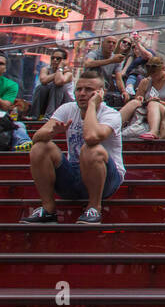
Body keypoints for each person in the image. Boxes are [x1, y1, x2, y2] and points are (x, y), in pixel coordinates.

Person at [21, 69, 125, 226]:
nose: (82, 93)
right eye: (78, 89)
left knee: (91, 149)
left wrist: (91, 107)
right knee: (40, 148)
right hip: (74, 175)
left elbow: (91, 138)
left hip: (107, 179)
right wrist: (51, 133)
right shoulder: (67, 108)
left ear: (100, 93)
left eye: (88, 90)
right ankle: (48, 209)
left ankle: (94, 208)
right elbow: (36, 138)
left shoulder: (110, 114)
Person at [119, 56, 165, 140]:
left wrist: (159, 102)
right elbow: (138, 100)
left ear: (163, 69)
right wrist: (141, 99)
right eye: (151, 75)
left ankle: (154, 131)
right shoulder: (145, 81)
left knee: (153, 104)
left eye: (156, 74)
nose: (154, 77)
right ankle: (114, 124)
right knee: (134, 102)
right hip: (146, 111)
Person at [27, 48, 73, 120]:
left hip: (65, 102)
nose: (55, 60)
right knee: (41, 87)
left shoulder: (68, 73)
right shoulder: (46, 69)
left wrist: (60, 68)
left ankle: (50, 117)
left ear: (64, 61)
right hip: (49, 102)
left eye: (58, 59)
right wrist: (58, 72)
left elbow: (58, 82)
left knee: (57, 86)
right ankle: (34, 115)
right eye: (53, 58)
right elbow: (43, 80)